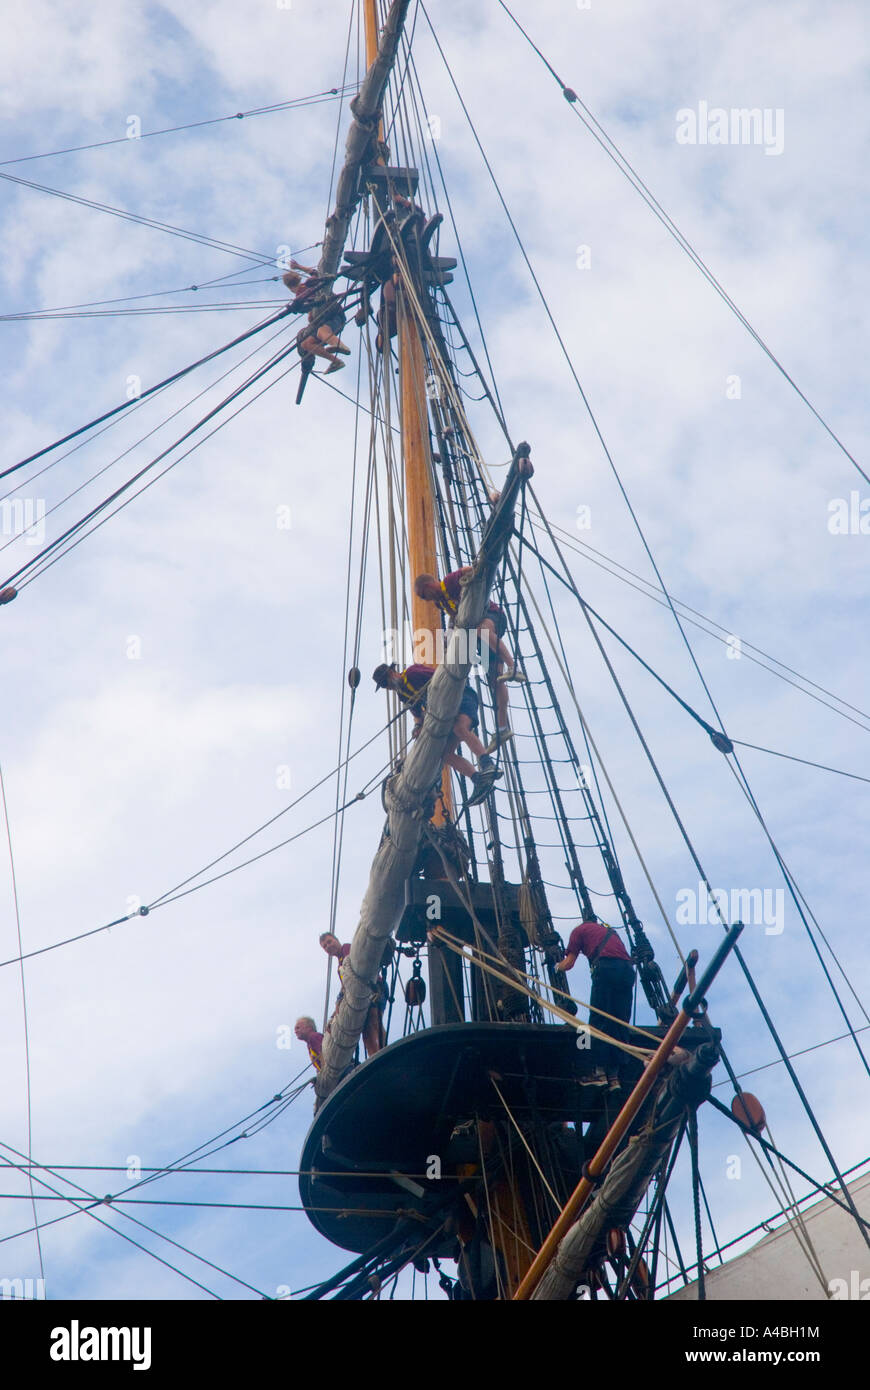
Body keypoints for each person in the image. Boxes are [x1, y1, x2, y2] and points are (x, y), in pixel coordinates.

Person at [413, 568, 525, 752]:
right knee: (494, 681)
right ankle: (502, 728)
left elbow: (472, 569)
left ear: (428, 586)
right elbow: (453, 617)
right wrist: (449, 639)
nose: (426, 600)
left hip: (491, 616)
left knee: (483, 631)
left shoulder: (449, 582)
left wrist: (471, 579)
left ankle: (513, 667)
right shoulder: (441, 603)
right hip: (481, 637)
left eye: (424, 595)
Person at [372, 661, 501, 807]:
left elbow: (444, 678)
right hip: (445, 713)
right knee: (445, 753)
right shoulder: (402, 694)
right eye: (383, 686)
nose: (387, 687)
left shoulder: (413, 673)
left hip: (461, 696)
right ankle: (477, 779)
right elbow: (418, 715)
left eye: (385, 683)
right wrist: (417, 727)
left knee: (460, 728)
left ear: (392, 673)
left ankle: (487, 763)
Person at [555, 920, 635, 1091]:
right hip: (628, 972)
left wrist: (557, 967)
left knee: (599, 1021)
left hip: (606, 969)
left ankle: (598, 1073)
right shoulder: (609, 931)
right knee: (619, 1023)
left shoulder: (577, 931)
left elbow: (568, 963)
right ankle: (614, 1077)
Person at [319, 932, 387, 1057]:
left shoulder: (346, 949)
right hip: (365, 993)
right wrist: (336, 1010)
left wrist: (339, 1001)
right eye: (325, 946)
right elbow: (346, 987)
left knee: (374, 1021)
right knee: (367, 1030)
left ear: (336, 940)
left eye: (329, 942)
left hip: (375, 988)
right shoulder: (339, 965)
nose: (328, 946)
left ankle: (382, 1052)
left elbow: (353, 973)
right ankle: (375, 1055)